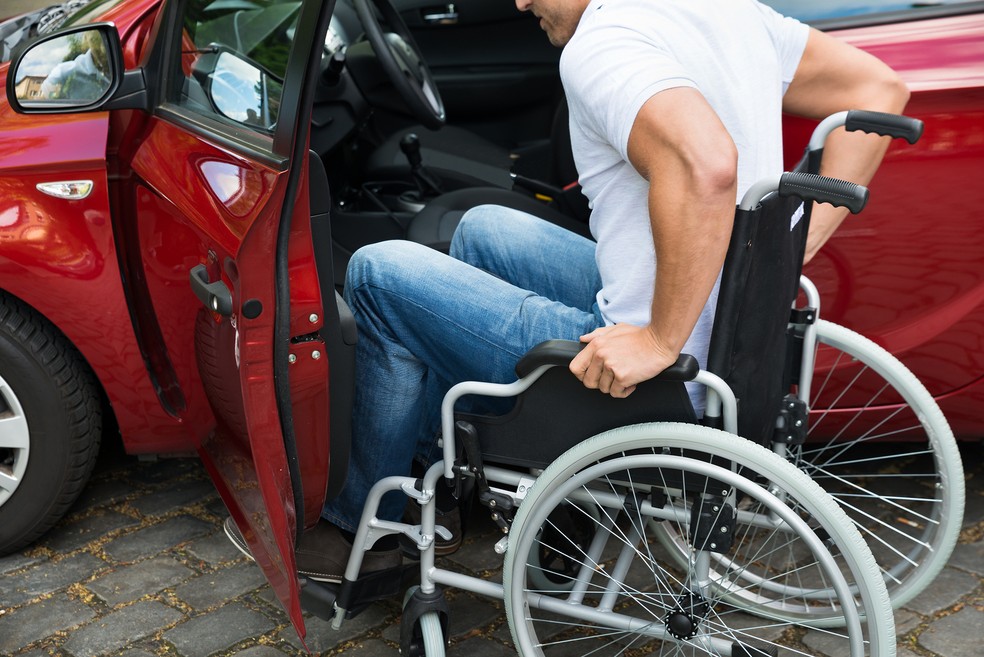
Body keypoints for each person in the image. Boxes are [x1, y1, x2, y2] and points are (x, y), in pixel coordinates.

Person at [228, 0, 909, 584]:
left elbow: (705, 164)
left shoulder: (602, 45)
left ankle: (371, 531)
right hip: (731, 329)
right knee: (480, 230)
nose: (521, 4)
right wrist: (791, 247)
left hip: (652, 380)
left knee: (378, 274)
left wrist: (657, 340)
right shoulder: (727, 11)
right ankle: (444, 471)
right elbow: (879, 88)